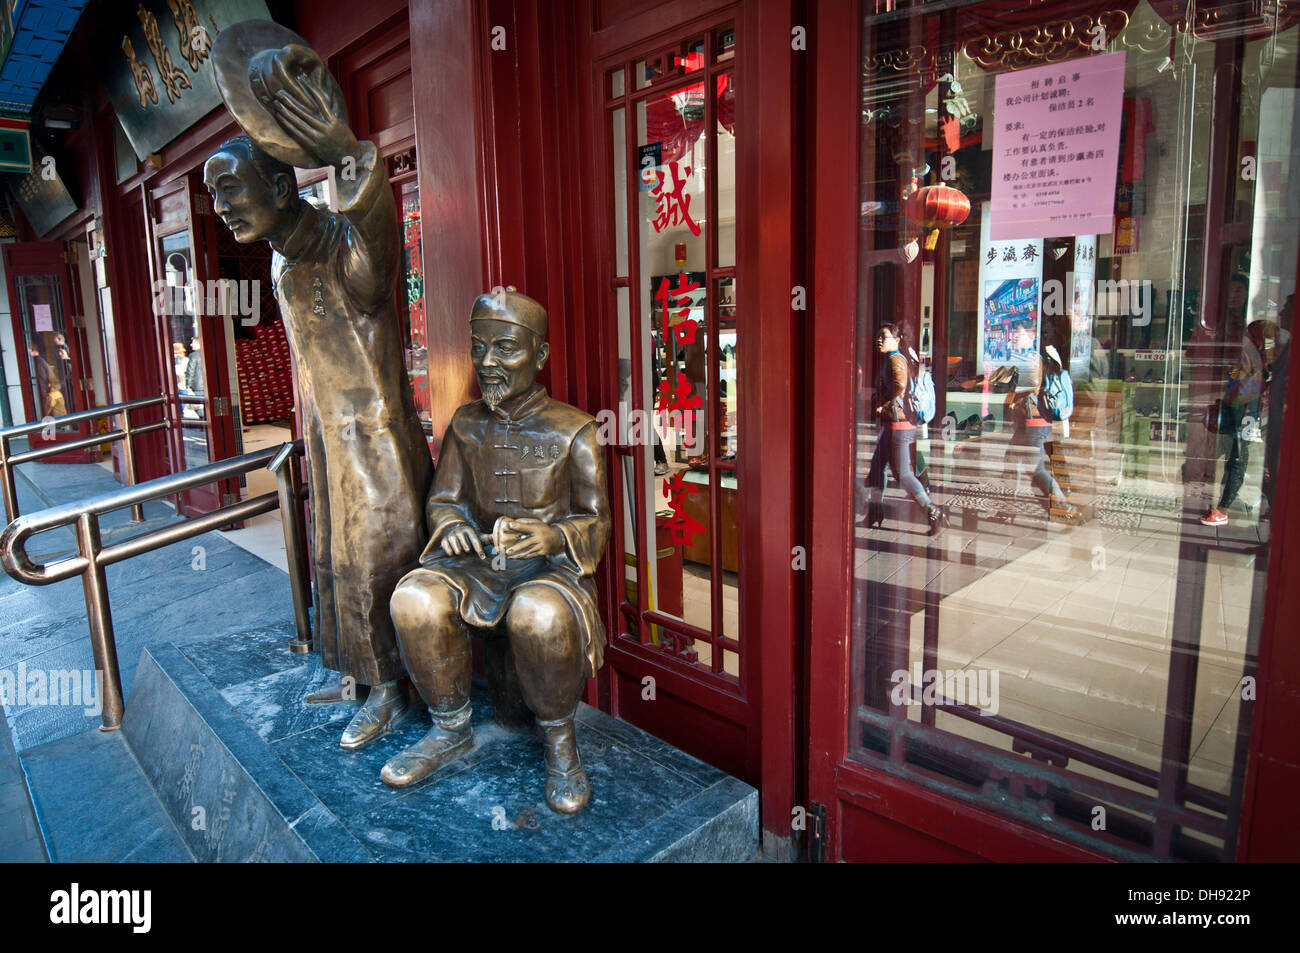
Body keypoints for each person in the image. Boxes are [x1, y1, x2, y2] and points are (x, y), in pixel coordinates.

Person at [206, 24, 433, 750]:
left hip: (375, 440)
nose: (222, 208)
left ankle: (393, 689)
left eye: (231, 190)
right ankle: (355, 673)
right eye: (212, 196)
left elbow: (378, 240)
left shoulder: (342, 246)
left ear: (280, 184)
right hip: (326, 438)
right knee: (334, 554)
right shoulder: (279, 262)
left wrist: (344, 153)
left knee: (378, 558)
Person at [381, 289, 611, 814]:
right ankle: (449, 728)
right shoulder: (465, 424)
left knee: (540, 613)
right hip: (477, 566)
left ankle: (560, 745)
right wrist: (453, 524)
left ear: (540, 356)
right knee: (413, 596)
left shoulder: (574, 430)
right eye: (479, 348)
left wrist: (554, 536)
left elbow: (597, 523)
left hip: (547, 571)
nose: (488, 362)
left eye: (505, 349)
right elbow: (444, 500)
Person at [862, 323, 945, 535]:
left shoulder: (896, 359)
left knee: (903, 473)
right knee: (877, 466)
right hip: (895, 424)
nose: (879, 339)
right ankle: (875, 510)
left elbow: (899, 386)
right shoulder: (893, 359)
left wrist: (883, 405)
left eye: (885, 336)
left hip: (900, 425)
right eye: (878, 336)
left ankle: (932, 510)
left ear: (897, 340)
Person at [1201, 317, 1275, 526]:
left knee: (1237, 459)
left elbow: (1239, 380)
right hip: (1240, 410)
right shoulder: (1252, 358)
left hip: (1246, 411)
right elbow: (1233, 378)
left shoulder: (1261, 358)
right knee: (1234, 458)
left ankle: (1224, 508)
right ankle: (1225, 504)